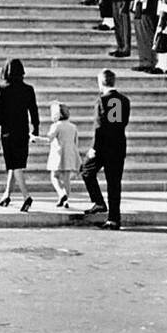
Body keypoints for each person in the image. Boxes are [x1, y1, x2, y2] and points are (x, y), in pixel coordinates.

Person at [80, 68, 130, 230]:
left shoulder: (101, 101)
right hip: (119, 144)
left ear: (101, 83)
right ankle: (114, 218)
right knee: (114, 183)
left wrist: (94, 148)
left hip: (103, 146)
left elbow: (99, 126)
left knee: (86, 171)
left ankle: (99, 202)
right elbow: (124, 122)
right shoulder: (124, 100)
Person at [0, 57, 40, 210]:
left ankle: (26, 196)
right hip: (22, 131)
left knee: (15, 165)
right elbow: (34, 110)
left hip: (8, 132)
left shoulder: (2, 89)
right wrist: (35, 128)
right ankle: (7, 194)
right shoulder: (28, 89)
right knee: (14, 165)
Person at [44, 100, 80, 208]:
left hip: (58, 155)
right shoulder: (73, 127)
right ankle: (66, 201)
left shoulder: (56, 126)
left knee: (54, 176)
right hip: (70, 155)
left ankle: (61, 193)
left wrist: (36, 139)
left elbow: (49, 139)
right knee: (66, 179)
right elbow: (76, 143)